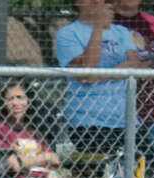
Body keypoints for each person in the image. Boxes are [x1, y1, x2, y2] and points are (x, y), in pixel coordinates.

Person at [54, 0, 143, 165]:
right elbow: (86, 70)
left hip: (126, 119)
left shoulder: (121, 32)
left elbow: (134, 65)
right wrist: (98, 28)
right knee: (103, 177)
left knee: (148, 172)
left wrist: (97, 77)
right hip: (89, 121)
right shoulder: (68, 34)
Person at [0, 81, 93, 178]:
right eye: (10, 99)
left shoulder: (33, 131)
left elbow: (55, 161)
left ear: (28, 101)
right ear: (3, 104)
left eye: (20, 97)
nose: (15, 103)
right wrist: (44, 158)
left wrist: (30, 161)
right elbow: (14, 165)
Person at [112, 0, 154, 178]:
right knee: (120, 174)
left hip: (153, 109)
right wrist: (138, 66)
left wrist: (145, 65)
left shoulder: (153, 23)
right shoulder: (106, 21)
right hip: (117, 114)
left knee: (153, 171)